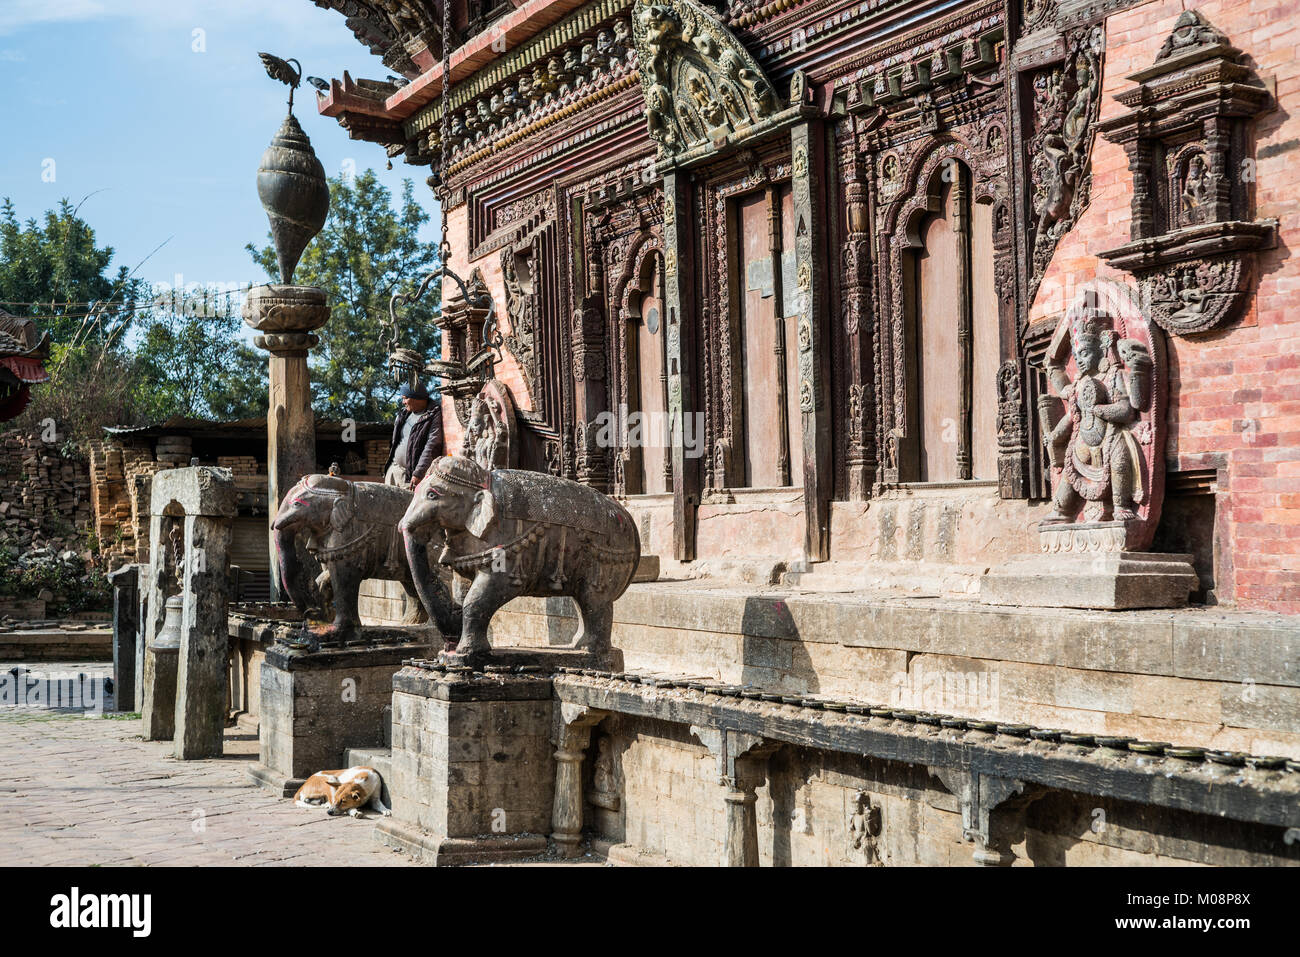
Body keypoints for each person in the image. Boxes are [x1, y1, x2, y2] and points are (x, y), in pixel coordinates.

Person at [383, 381, 444, 489]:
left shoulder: (433, 415)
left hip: (410, 477)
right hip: (394, 470)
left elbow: (432, 445)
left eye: (405, 398)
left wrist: (418, 473)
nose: (403, 402)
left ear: (417, 398)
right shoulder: (404, 414)